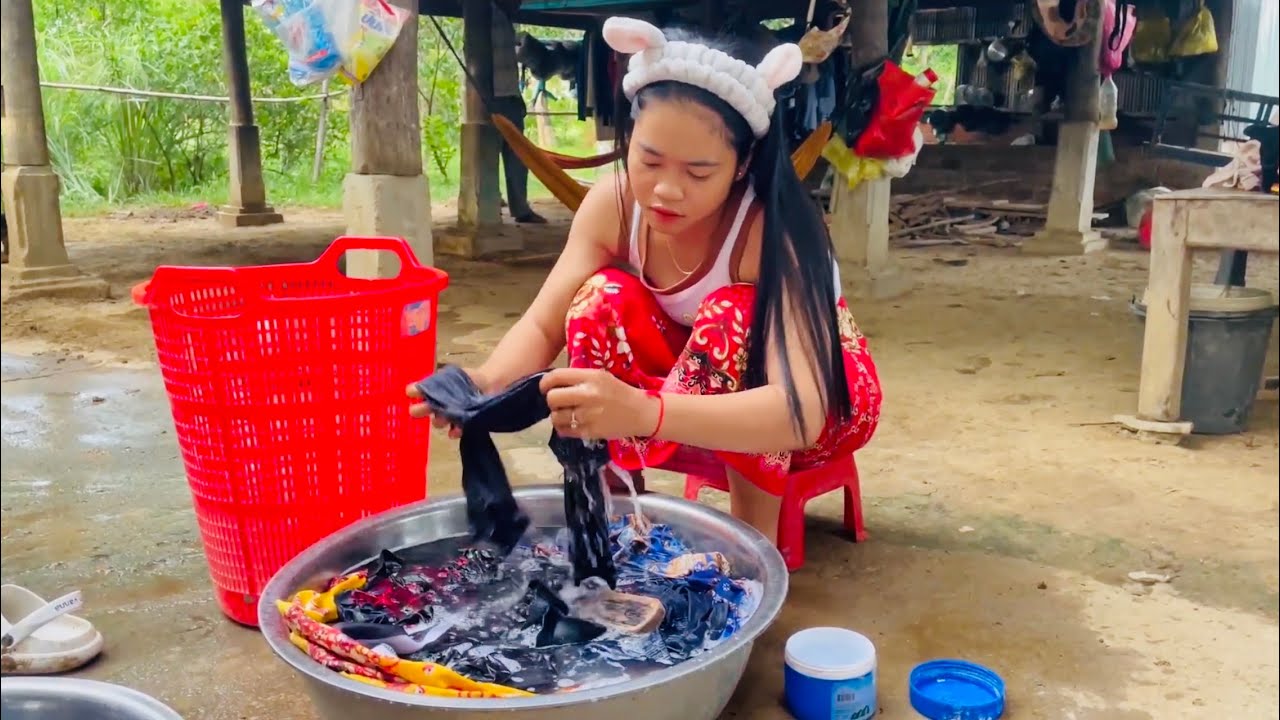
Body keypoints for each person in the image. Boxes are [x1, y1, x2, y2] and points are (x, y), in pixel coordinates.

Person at [409, 17, 882, 544]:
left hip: (823, 408)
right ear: (628, 139)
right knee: (597, 299)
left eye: (698, 173)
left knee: (734, 316)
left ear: (744, 163)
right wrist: (482, 386)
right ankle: (606, 517)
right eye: (649, 161)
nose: (667, 191)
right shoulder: (610, 206)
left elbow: (801, 413)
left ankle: (754, 548)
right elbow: (545, 326)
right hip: (689, 382)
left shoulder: (773, 232)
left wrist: (644, 410)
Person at [493, 5, 546, 224]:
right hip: (492, 97)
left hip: (509, 96)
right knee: (492, 155)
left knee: (517, 156)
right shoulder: (489, 16)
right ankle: (492, 206)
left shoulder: (504, 19)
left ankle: (520, 208)